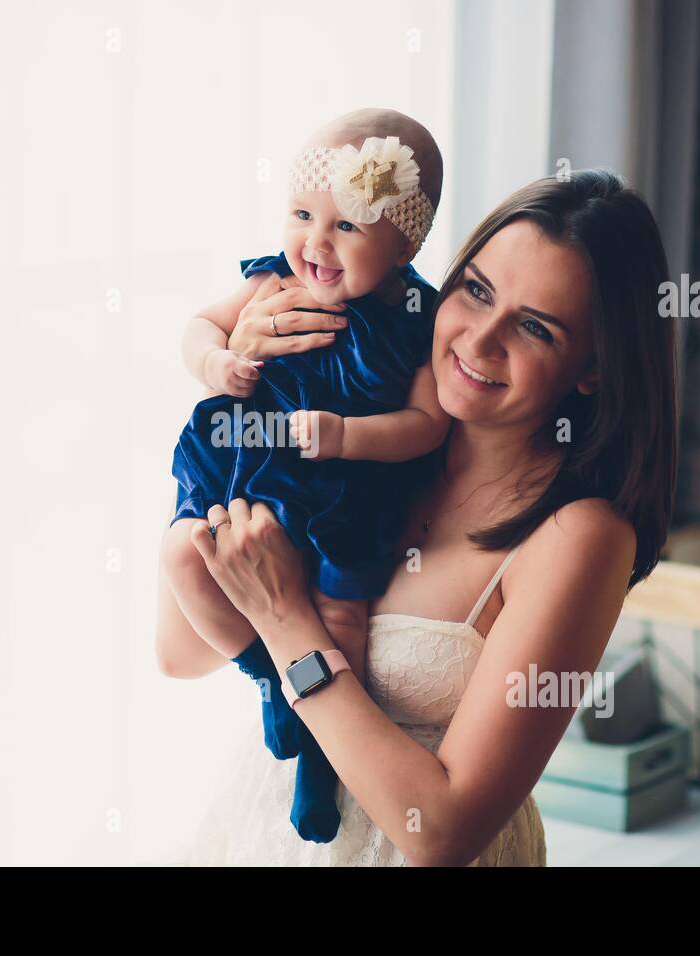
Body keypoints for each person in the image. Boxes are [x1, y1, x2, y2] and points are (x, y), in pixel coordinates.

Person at [160, 170, 678, 865]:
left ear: (593, 367)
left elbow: (443, 831)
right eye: (476, 291)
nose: (479, 341)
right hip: (262, 835)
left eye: (534, 328)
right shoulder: (361, 434)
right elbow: (178, 653)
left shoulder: (578, 537)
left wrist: (289, 627)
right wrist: (249, 383)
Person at [159, 108, 449, 842]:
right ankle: (269, 679)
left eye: (348, 227)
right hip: (251, 470)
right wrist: (215, 364)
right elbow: (199, 325)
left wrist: (348, 435)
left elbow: (427, 425)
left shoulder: (419, 316)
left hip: (343, 492)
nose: (315, 242)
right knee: (182, 555)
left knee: (342, 616)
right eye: (301, 215)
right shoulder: (269, 280)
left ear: (405, 242)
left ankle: (324, 756)